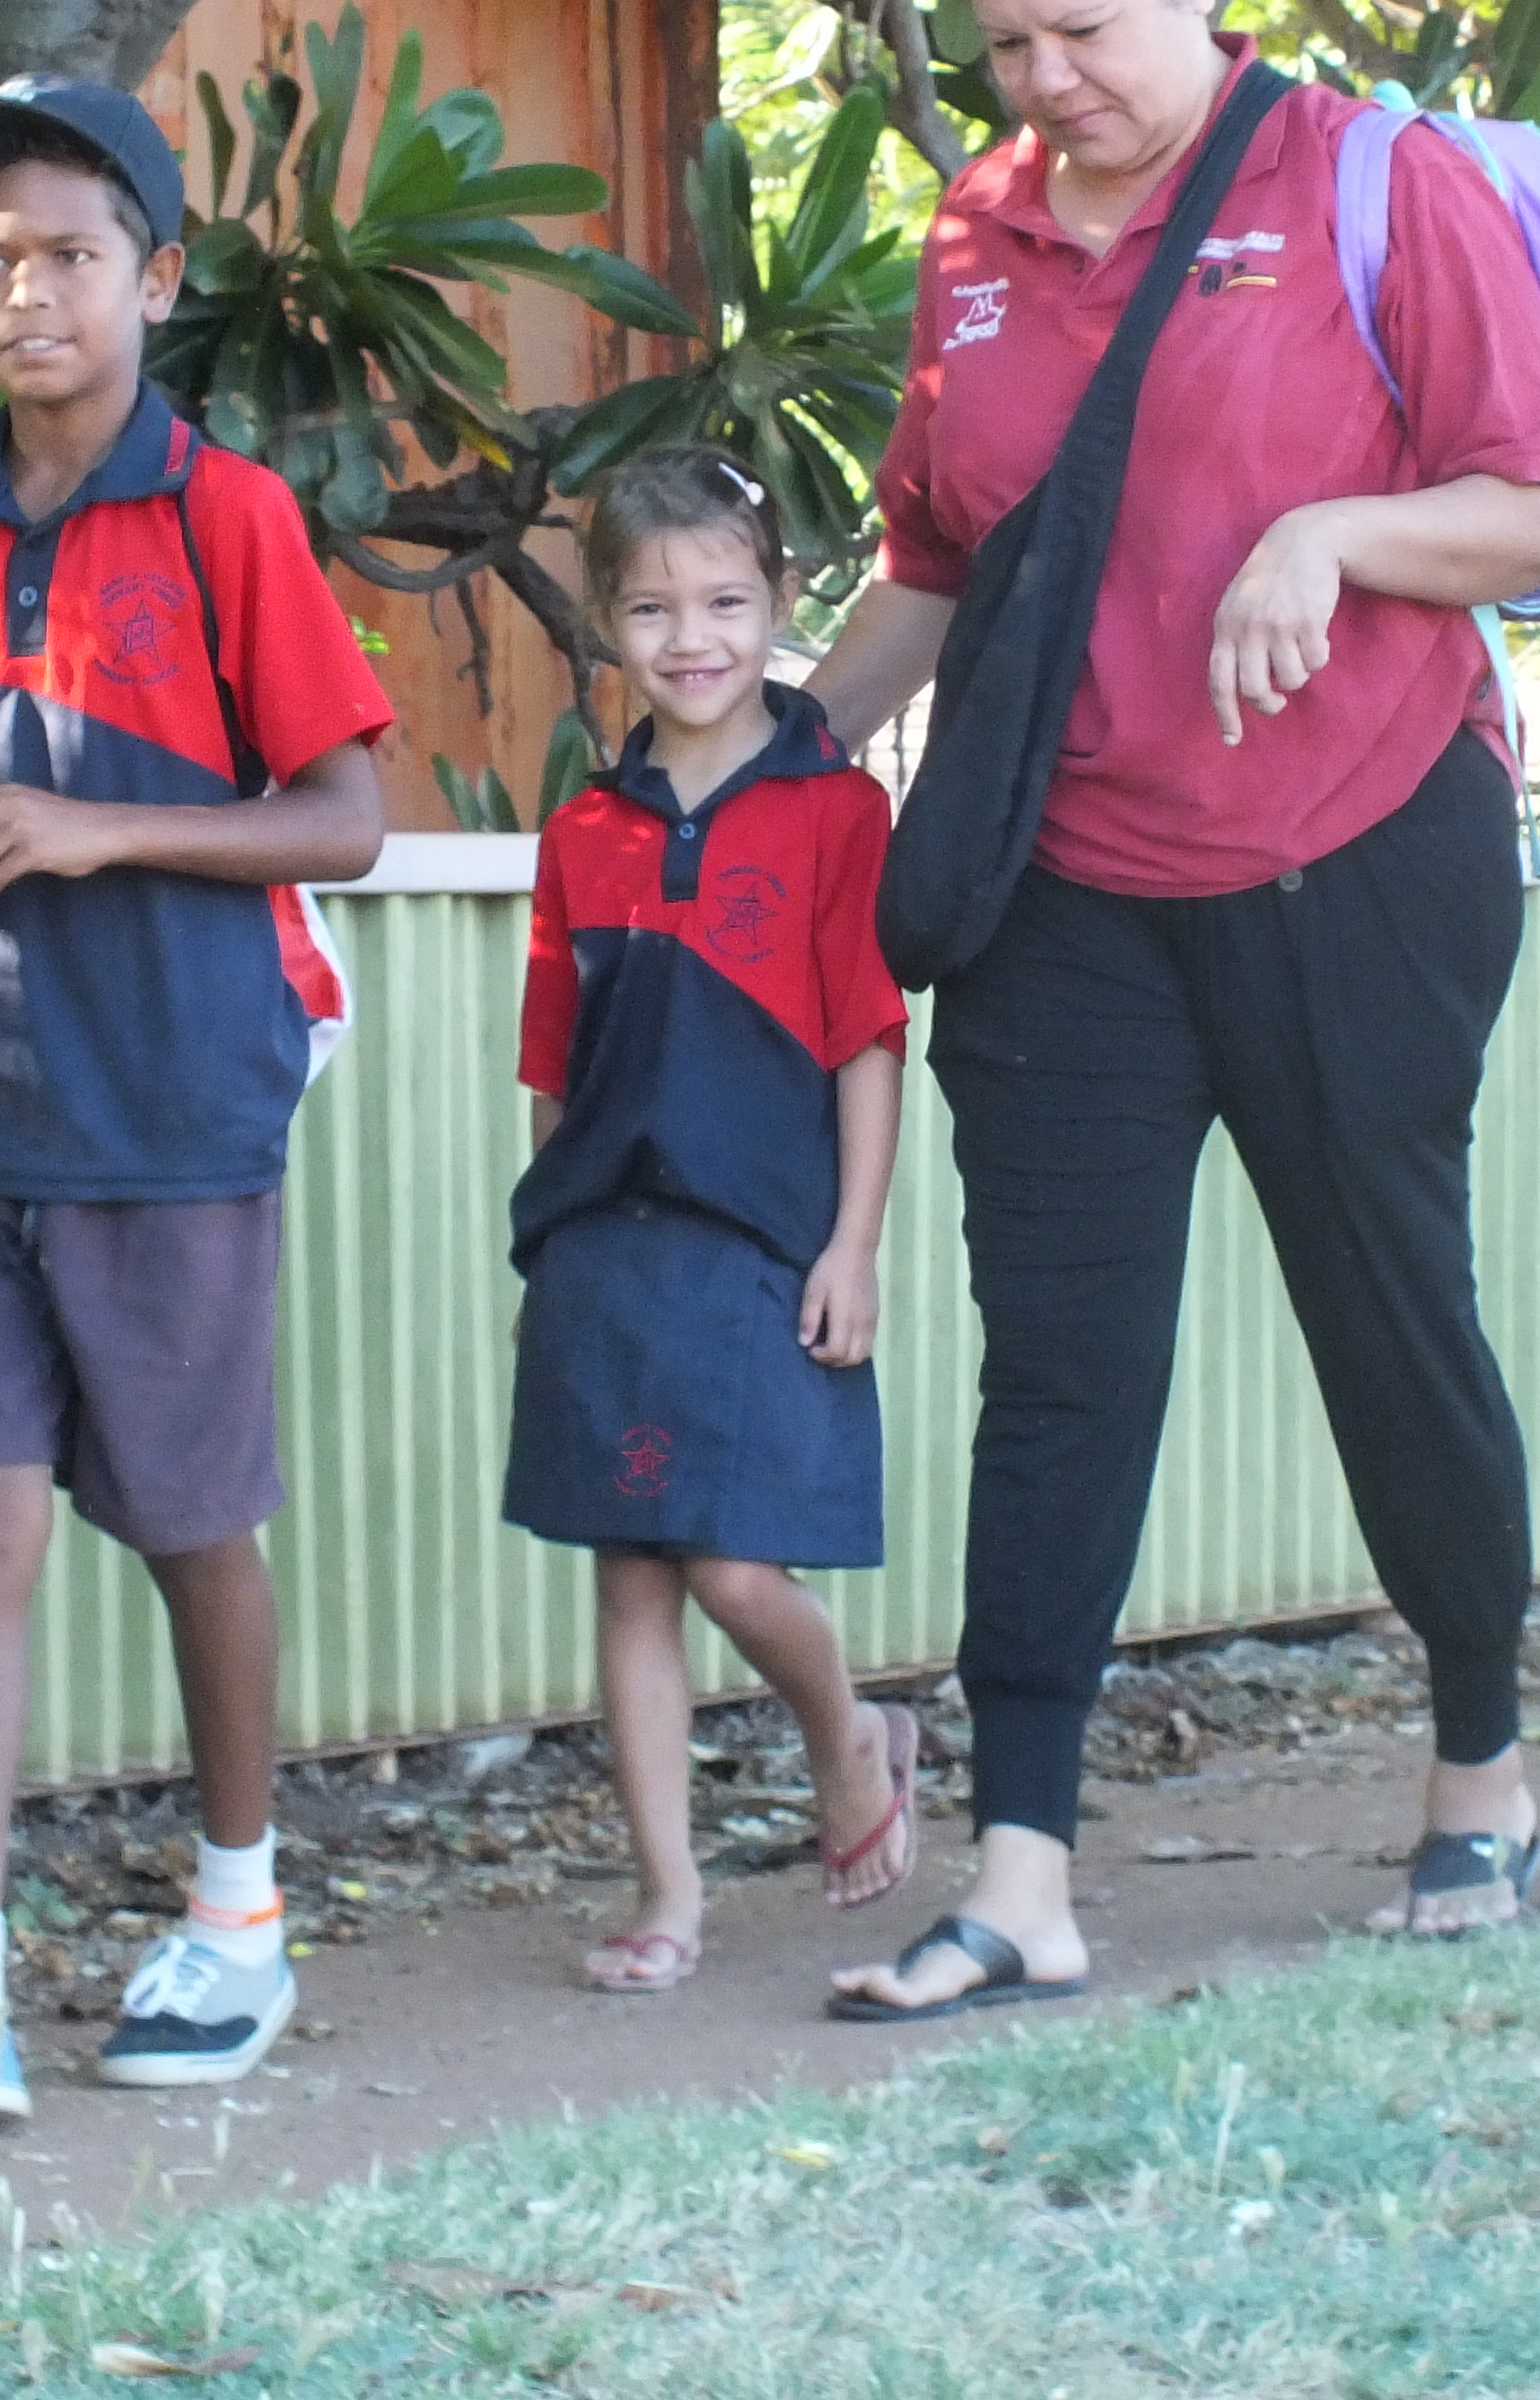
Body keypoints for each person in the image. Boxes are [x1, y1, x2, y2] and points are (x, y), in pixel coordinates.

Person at [810, 0, 1540, 2021]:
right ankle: (1025, 1870)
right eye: (1011, 50)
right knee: (1061, 1369)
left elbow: (1536, 515)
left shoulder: (1372, 180)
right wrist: (770, 740)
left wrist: (1332, 536)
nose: (1053, 83)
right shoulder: (979, 234)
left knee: (1385, 1313)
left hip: (1357, 849)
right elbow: (945, 566)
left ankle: (1481, 1766)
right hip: (1067, 876)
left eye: (1090, 30)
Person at [0, 74, 393, 2124]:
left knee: (194, 1525)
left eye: (64, 253)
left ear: (157, 272)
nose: (24, 294)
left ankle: (237, 1925)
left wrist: (109, 829)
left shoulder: (229, 520)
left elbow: (349, 821)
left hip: (174, 1113)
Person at [503, 449, 921, 1994]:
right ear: (609, 624)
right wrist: (552, 1239)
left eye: (728, 602)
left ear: (783, 606)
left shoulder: (834, 814)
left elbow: (868, 1040)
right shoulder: (583, 835)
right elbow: (553, 1063)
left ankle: (852, 1737)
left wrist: (853, 1245)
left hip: (762, 1250)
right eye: (655, 608)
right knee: (629, 1576)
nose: (694, 638)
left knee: (739, 1573)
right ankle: (668, 1893)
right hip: (602, 1252)